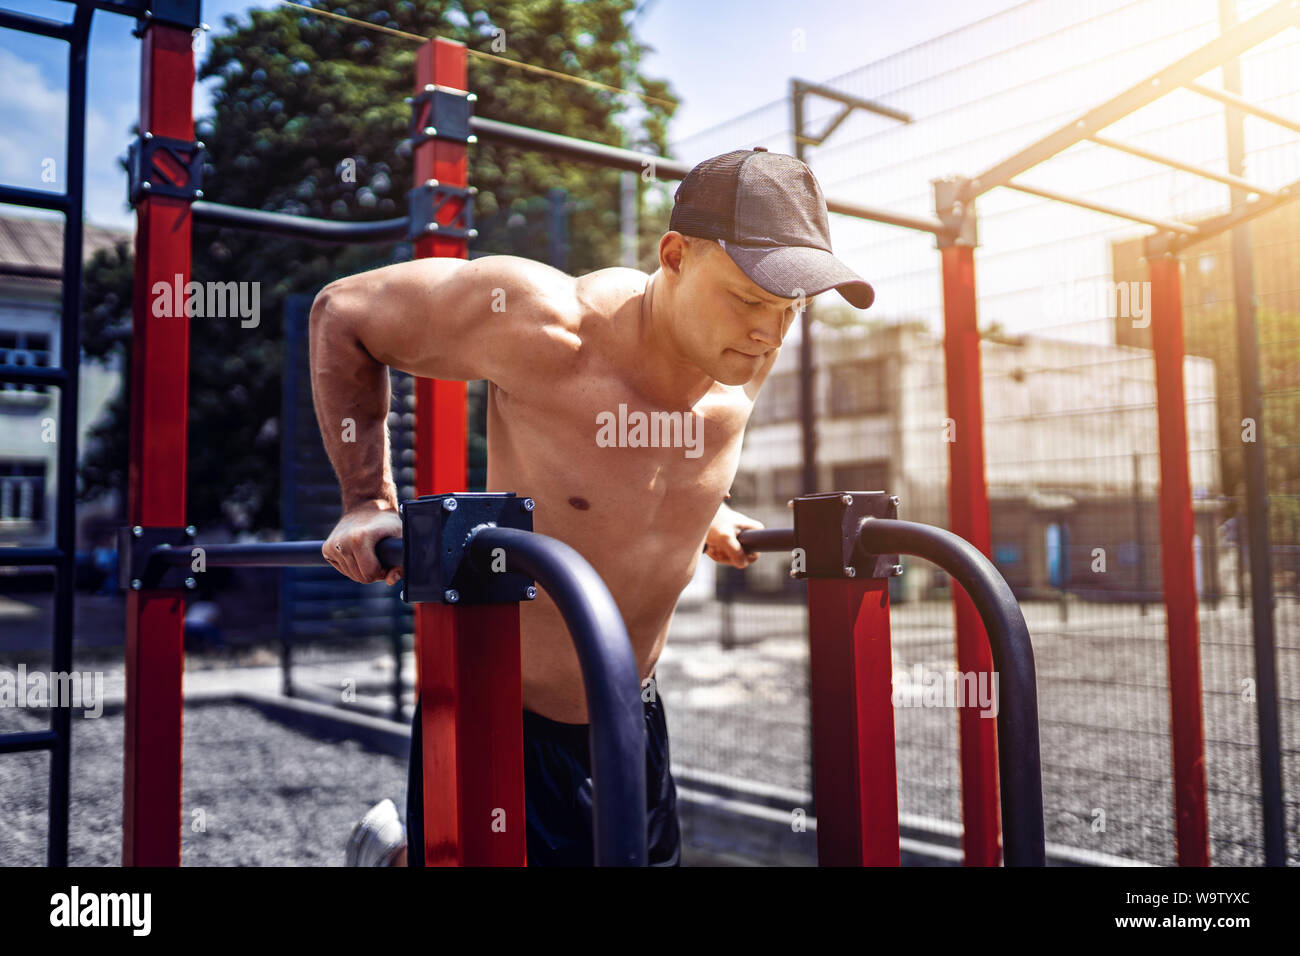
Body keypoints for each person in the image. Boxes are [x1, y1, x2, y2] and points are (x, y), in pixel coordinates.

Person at [316, 147, 874, 867]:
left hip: (628, 714)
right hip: (503, 717)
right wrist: (366, 498)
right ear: (674, 255)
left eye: (791, 308)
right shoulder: (544, 325)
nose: (770, 332)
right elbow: (343, 313)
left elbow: (650, 465)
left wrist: (711, 507)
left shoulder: (739, 361)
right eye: (748, 298)